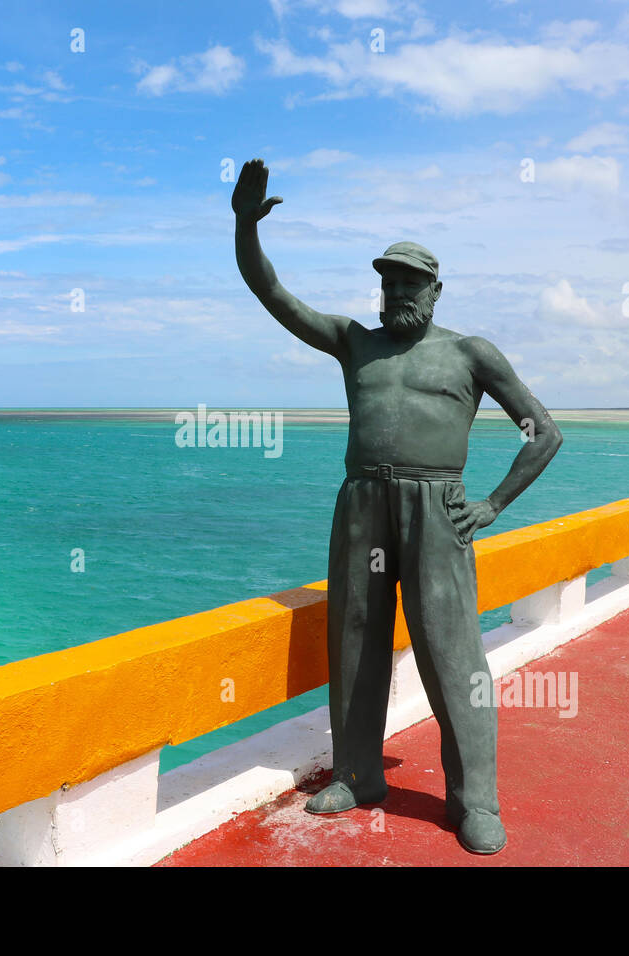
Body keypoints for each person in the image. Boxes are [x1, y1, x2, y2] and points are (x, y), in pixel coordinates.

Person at [232, 158, 562, 854]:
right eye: (389, 279)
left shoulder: (470, 353)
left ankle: (475, 799)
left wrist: (495, 503)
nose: (397, 289)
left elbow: (544, 432)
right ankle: (358, 774)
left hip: (438, 507)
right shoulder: (356, 342)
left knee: (452, 652)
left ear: (436, 289)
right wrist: (244, 228)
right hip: (362, 503)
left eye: (411, 280)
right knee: (354, 641)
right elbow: (274, 295)